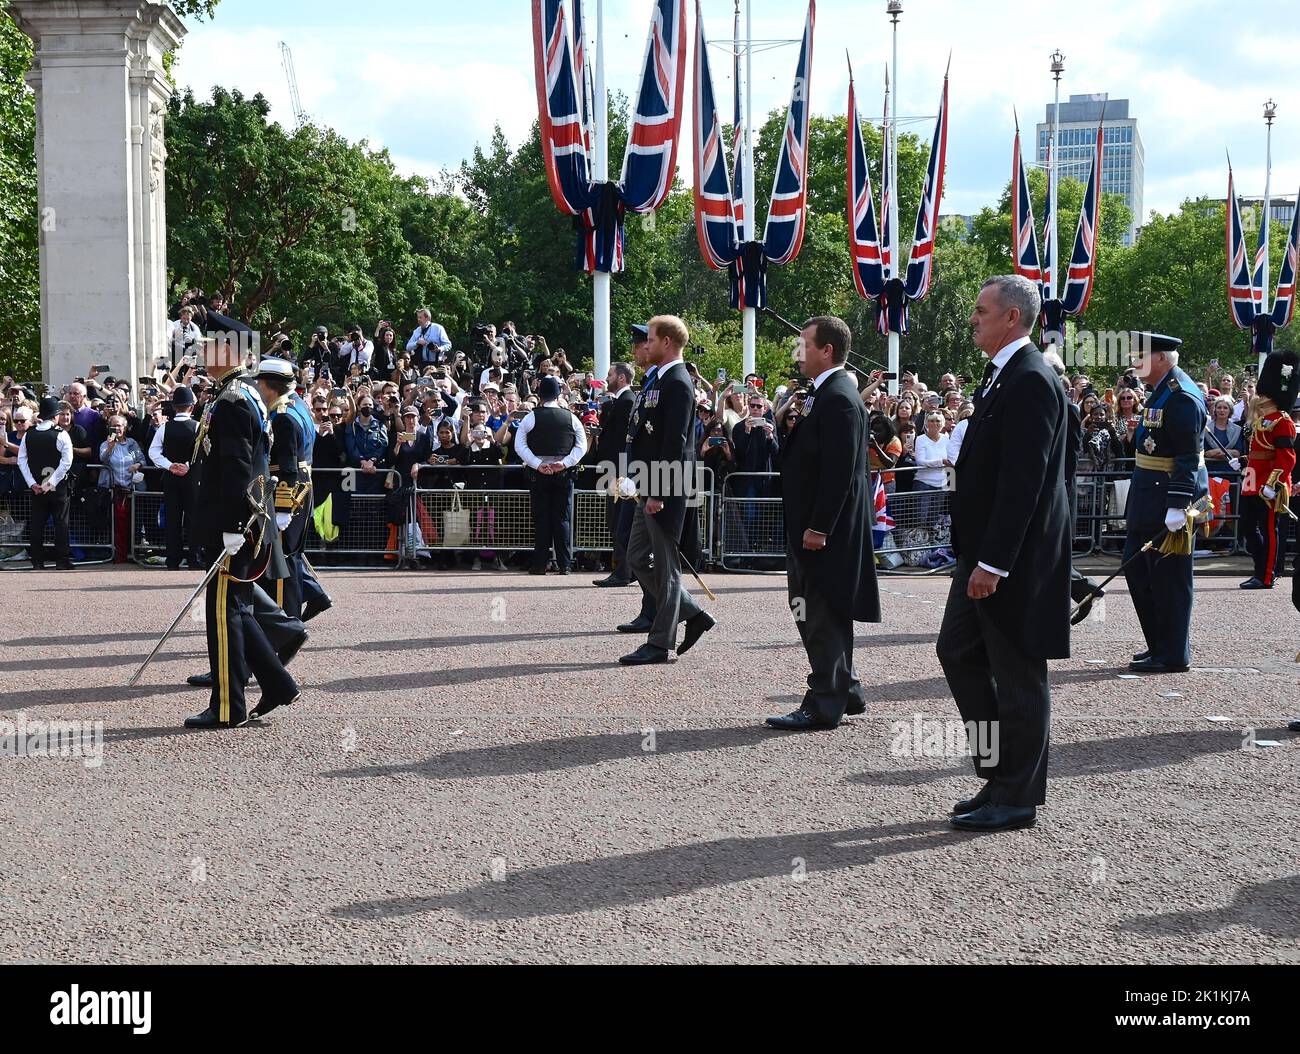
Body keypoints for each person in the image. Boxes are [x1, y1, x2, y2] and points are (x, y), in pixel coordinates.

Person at [936, 275, 1070, 833]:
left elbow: (1024, 481)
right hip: (982, 552)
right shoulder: (1002, 375)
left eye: (981, 310)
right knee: (958, 652)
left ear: (1012, 317)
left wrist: (994, 562)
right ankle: (997, 773)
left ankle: (1016, 795)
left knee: (1018, 675)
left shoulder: (1031, 377)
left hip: (1010, 561)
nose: (973, 318)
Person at [765, 316, 880, 730]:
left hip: (824, 532)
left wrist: (820, 527)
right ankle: (846, 688)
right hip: (811, 525)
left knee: (820, 614)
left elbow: (839, 472)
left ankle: (823, 703)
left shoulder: (839, 397)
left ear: (827, 350)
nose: (799, 352)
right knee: (812, 609)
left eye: (805, 345)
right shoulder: (825, 393)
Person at [185, 335, 298, 729]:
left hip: (235, 522)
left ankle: (228, 707)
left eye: (209, 349)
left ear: (228, 352)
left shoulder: (234, 399)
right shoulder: (239, 393)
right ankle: (277, 683)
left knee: (223, 614)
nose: (202, 355)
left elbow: (237, 467)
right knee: (237, 609)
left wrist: (233, 525)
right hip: (243, 520)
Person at [619, 315, 715, 665]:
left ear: (667, 342)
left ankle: (660, 644)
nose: (645, 345)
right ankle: (693, 613)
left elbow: (675, 442)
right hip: (649, 483)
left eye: (650, 339)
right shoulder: (659, 379)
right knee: (636, 557)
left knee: (666, 566)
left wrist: (658, 491)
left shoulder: (677, 382)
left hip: (666, 487)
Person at [1123, 332, 1208, 673]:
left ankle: (1172, 653)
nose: (1135, 362)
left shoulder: (1181, 396)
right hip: (1149, 496)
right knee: (1139, 571)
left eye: (1141, 356)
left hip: (1167, 499)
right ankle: (1159, 642)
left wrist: (1178, 504)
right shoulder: (1163, 391)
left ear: (1160, 358)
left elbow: (1188, 457)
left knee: (1168, 580)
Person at [514, 375, 587, 574]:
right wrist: (564, 464)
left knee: (542, 519)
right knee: (562, 519)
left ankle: (539, 564)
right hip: (563, 474)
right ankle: (565, 565)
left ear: (540, 394)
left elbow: (519, 446)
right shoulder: (571, 417)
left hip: (539, 475)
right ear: (558, 394)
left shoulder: (531, 417)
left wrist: (538, 464)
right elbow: (581, 447)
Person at [1238, 349, 1297, 590]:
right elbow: (1260, 452)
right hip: (1252, 480)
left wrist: (1273, 484)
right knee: (1247, 528)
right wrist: (1243, 461)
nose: (1259, 397)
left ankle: (1266, 575)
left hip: (1268, 484)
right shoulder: (1261, 420)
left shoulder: (1282, 421)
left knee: (1269, 530)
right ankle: (1260, 567)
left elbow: (1286, 458)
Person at [592, 358, 638, 587]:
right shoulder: (620, 401)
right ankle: (627, 569)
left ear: (621, 377)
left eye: (610, 375)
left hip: (620, 471)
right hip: (615, 470)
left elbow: (625, 440)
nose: (606, 378)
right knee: (616, 521)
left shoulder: (627, 401)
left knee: (620, 522)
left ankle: (623, 572)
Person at [17, 396, 75, 570]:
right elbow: (67, 462)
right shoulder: (61, 434)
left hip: (36, 488)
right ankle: (62, 560)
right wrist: (51, 483)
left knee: (37, 524)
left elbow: (21, 460)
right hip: (58, 488)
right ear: (55, 416)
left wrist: (32, 483)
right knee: (61, 523)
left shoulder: (29, 434)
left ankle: (37, 561)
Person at [148, 385, 201, 570]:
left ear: (173, 406)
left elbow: (153, 452)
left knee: (172, 520)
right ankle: (194, 559)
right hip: (192, 478)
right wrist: (188, 465)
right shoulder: (197, 426)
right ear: (191, 407)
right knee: (193, 519)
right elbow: (203, 452)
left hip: (171, 478)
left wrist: (170, 465)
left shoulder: (164, 428)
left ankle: (173, 560)